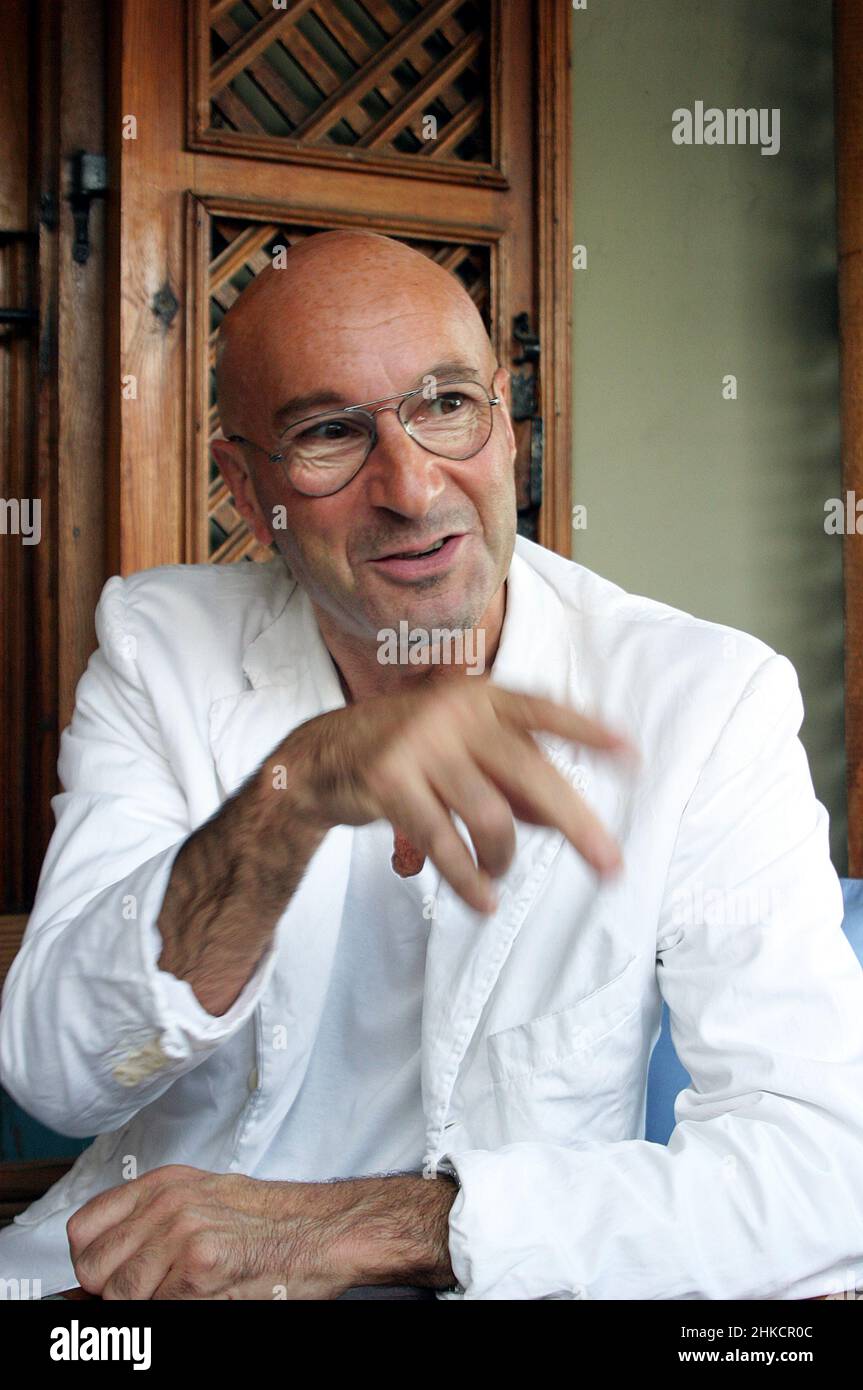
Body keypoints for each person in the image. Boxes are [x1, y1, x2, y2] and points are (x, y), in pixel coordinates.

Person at [1, 230, 862, 1301]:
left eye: (445, 404)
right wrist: (291, 794)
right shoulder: (159, 646)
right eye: (327, 433)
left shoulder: (703, 700)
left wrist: (375, 1227)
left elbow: (819, 1179)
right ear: (241, 482)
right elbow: (59, 1073)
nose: (410, 486)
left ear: (506, 425)